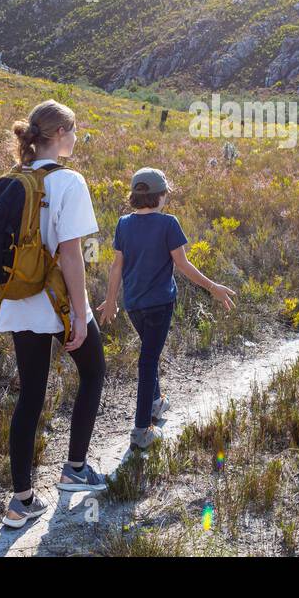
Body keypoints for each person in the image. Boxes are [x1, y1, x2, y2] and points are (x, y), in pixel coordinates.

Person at [0, 100, 108, 530]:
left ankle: (21, 500)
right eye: (75, 131)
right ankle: (74, 469)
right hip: (56, 302)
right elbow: (71, 256)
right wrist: (80, 315)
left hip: (18, 298)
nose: (77, 139)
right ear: (60, 133)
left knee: (30, 395)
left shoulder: (12, 179)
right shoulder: (69, 181)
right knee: (94, 371)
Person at [96, 167, 237, 449]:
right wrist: (214, 288)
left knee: (149, 352)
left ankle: (156, 404)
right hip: (160, 305)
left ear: (134, 196)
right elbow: (183, 265)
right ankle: (140, 431)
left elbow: (116, 267)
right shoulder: (168, 224)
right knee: (148, 361)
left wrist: (111, 301)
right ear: (160, 197)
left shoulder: (123, 223)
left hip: (133, 304)